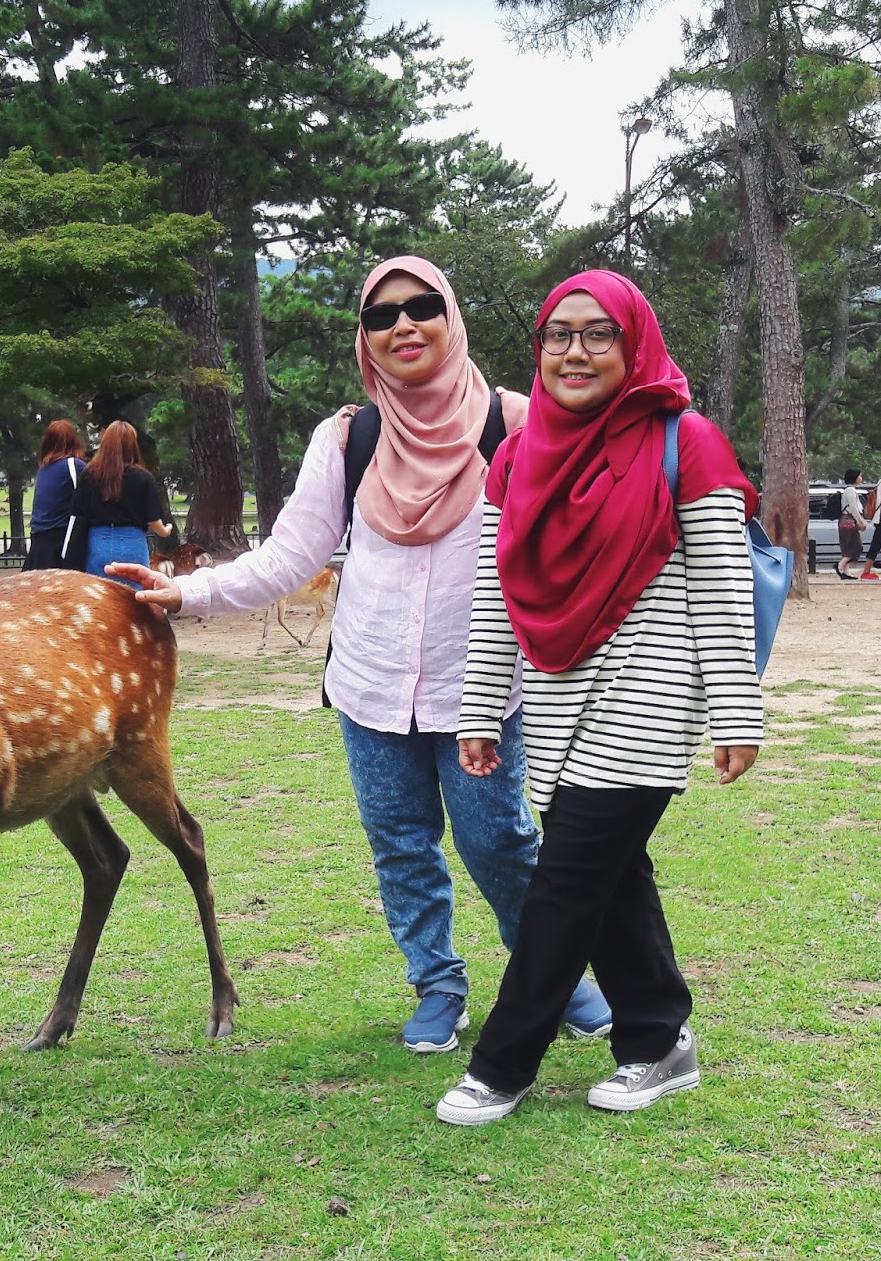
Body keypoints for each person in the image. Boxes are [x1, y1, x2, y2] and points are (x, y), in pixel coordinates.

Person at [109, 255, 610, 1053]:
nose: (403, 326)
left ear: (451, 316)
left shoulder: (519, 421)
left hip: (482, 687)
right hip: (371, 685)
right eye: (382, 316)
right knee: (401, 845)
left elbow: (586, 529)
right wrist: (189, 592)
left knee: (500, 842)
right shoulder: (349, 436)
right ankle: (437, 983)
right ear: (365, 338)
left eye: (421, 308)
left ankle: (557, 973)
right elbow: (288, 555)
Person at [436, 269, 763, 1126]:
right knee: (612, 873)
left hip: (652, 692)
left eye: (598, 334)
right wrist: (479, 708)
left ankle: (500, 1064)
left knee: (569, 879)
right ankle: (660, 1039)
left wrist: (734, 711)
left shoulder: (685, 440)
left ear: (634, 341)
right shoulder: (516, 454)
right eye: (558, 334)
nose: (574, 352)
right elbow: (494, 592)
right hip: (555, 695)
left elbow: (724, 589)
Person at [73, 420, 173, 586]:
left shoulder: (89, 474)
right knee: (134, 598)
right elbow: (154, 521)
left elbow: (79, 512)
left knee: (100, 597)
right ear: (132, 445)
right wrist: (165, 531)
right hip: (132, 544)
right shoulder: (144, 477)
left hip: (98, 543)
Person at [22, 419, 89, 571]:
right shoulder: (74, 466)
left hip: (39, 539)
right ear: (74, 441)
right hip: (61, 538)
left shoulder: (43, 469)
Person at [835, 468, 868, 580]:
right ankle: (840, 566)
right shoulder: (850, 491)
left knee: (847, 547)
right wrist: (861, 521)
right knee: (857, 547)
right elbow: (854, 509)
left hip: (844, 522)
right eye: (860, 476)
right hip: (849, 522)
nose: (861, 478)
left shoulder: (849, 490)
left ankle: (846, 572)